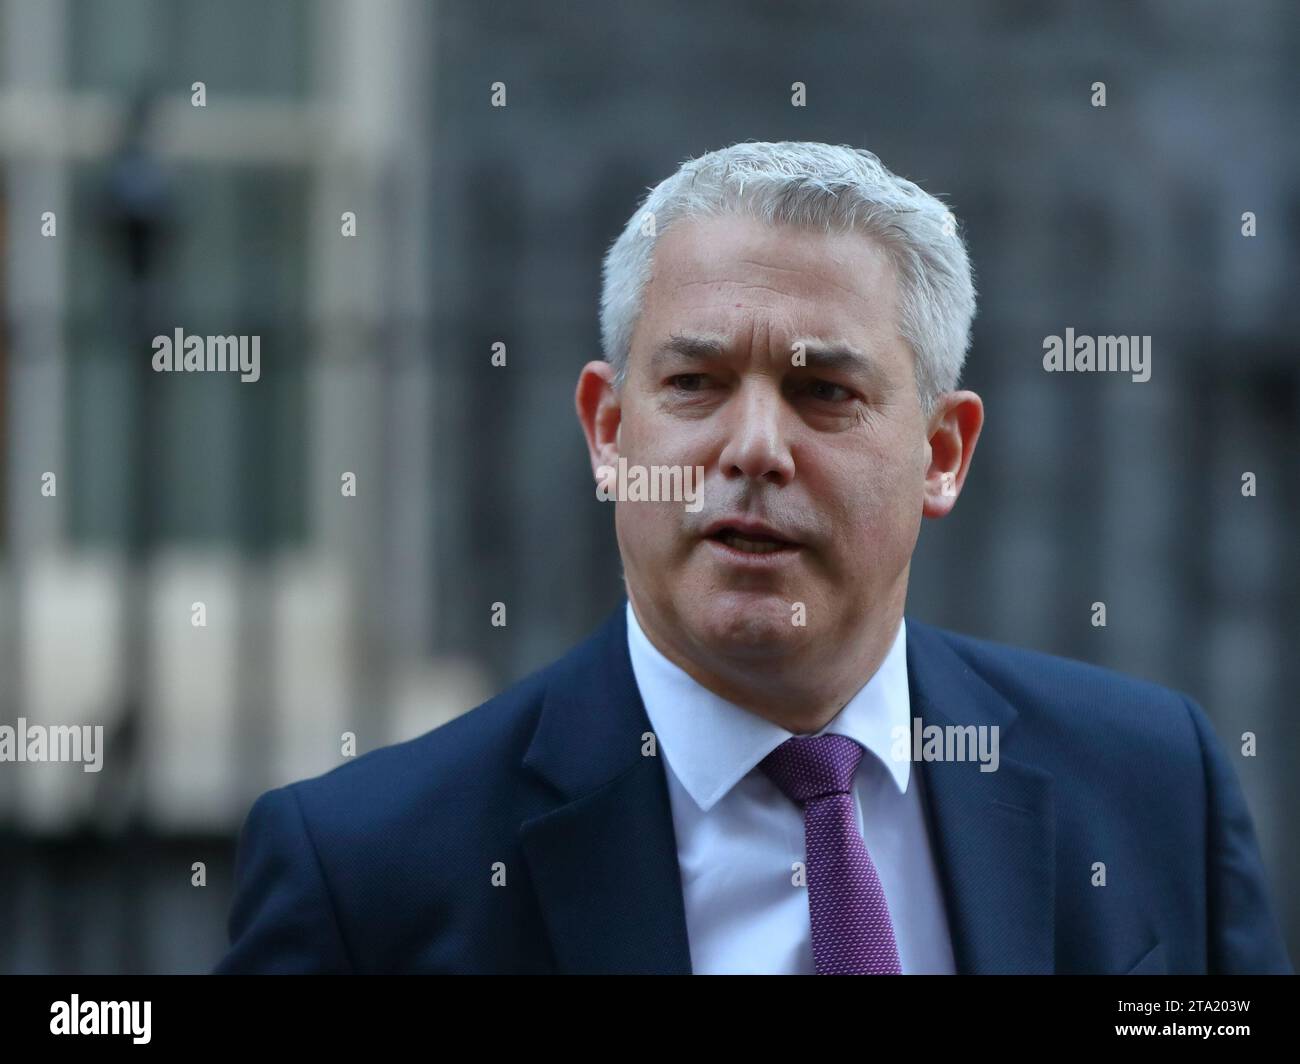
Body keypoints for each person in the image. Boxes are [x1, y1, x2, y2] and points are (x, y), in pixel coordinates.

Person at [214, 141, 1291, 974]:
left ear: (943, 451)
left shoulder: (1153, 786)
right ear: (606, 431)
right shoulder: (367, 869)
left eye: (825, 391)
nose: (755, 448)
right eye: (695, 383)